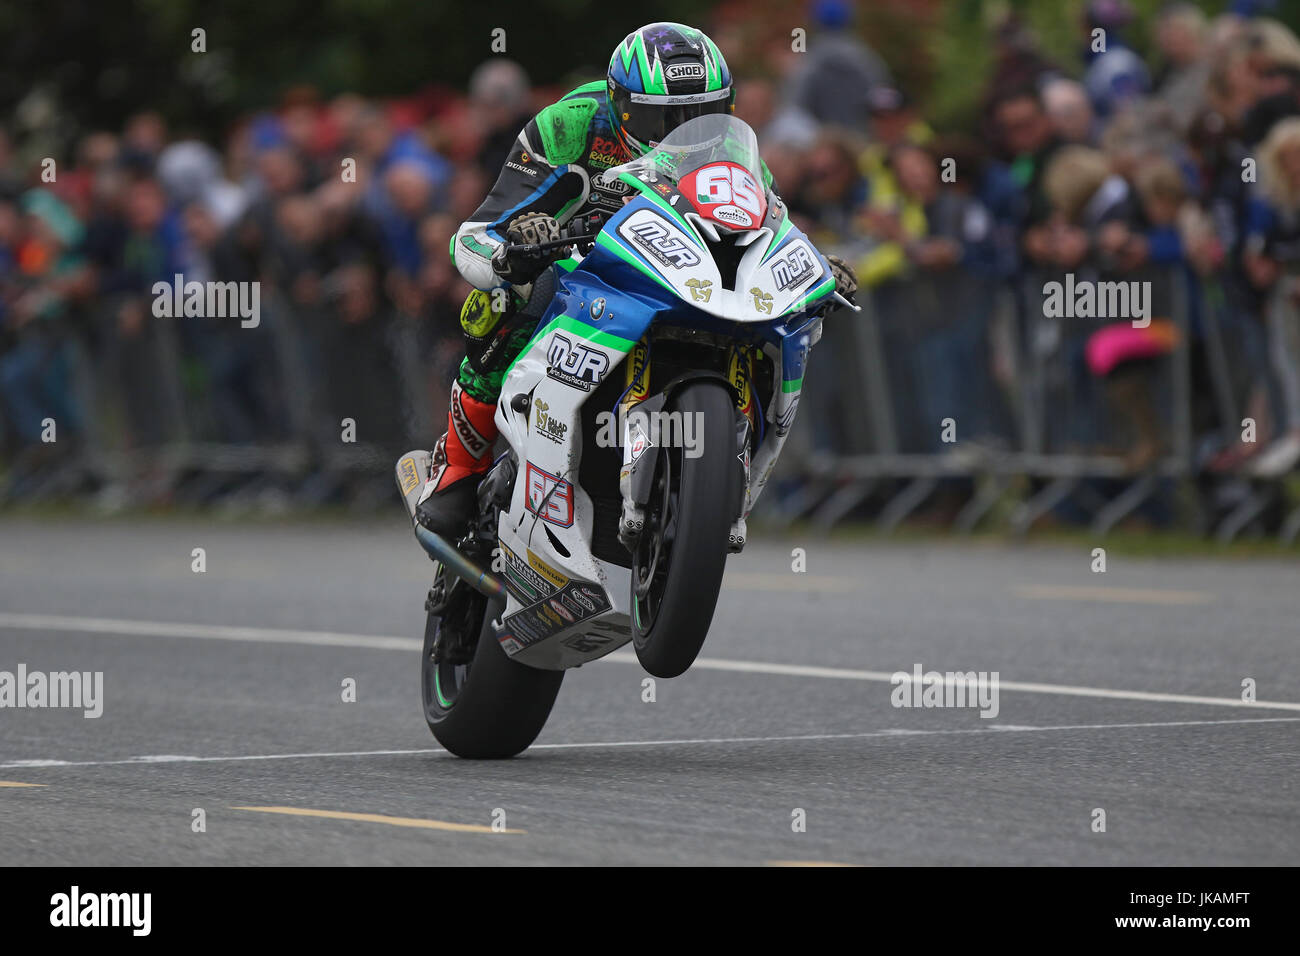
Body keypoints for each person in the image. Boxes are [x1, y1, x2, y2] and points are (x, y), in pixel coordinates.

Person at [411, 21, 857, 537]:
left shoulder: (731, 153)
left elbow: (770, 221)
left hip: (688, 282)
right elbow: (477, 232)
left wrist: (814, 265)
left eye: (702, 115)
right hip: (585, 266)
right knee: (505, 300)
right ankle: (458, 464)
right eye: (662, 118)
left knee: (775, 328)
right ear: (619, 105)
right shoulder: (570, 125)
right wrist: (515, 250)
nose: (684, 132)